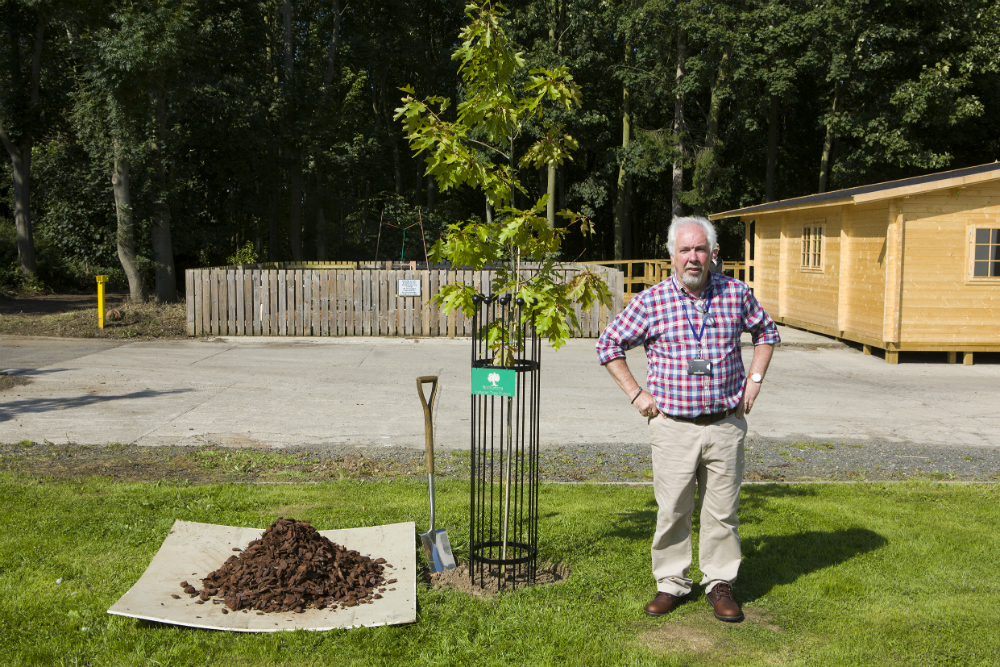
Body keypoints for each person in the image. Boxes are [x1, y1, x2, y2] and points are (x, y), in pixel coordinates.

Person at [596, 216, 779, 622]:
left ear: (713, 254)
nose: (692, 258)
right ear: (671, 256)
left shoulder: (736, 294)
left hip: (725, 424)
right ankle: (671, 584)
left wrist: (755, 379)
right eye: (684, 250)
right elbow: (608, 344)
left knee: (722, 512)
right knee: (673, 509)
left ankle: (719, 583)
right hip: (673, 427)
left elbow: (766, 332)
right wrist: (636, 393)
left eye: (699, 249)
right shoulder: (651, 300)